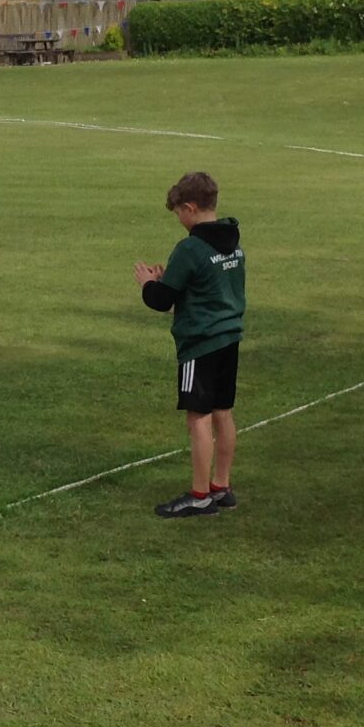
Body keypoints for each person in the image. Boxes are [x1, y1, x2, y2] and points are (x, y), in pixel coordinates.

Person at [134, 170, 245, 517]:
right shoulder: (233, 242)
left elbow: (161, 301)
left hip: (200, 343)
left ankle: (199, 496)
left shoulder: (191, 248)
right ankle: (221, 486)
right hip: (229, 338)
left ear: (191, 208)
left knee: (198, 416)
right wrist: (174, 279)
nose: (179, 219)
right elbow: (209, 283)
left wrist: (149, 283)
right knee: (223, 412)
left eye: (179, 212)